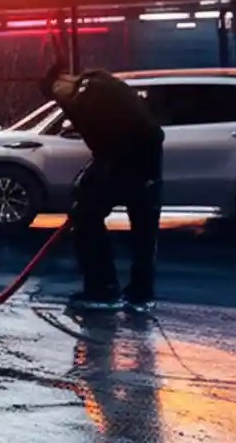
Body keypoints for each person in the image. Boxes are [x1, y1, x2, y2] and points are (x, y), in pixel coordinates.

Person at [39, 63, 164, 314]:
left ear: (63, 79)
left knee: (86, 218)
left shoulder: (86, 96)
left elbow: (103, 142)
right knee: (144, 229)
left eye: (56, 91)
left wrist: (91, 180)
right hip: (147, 161)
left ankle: (102, 288)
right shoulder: (99, 80)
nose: (59, 98)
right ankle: (140, 292)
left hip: (128, 161)